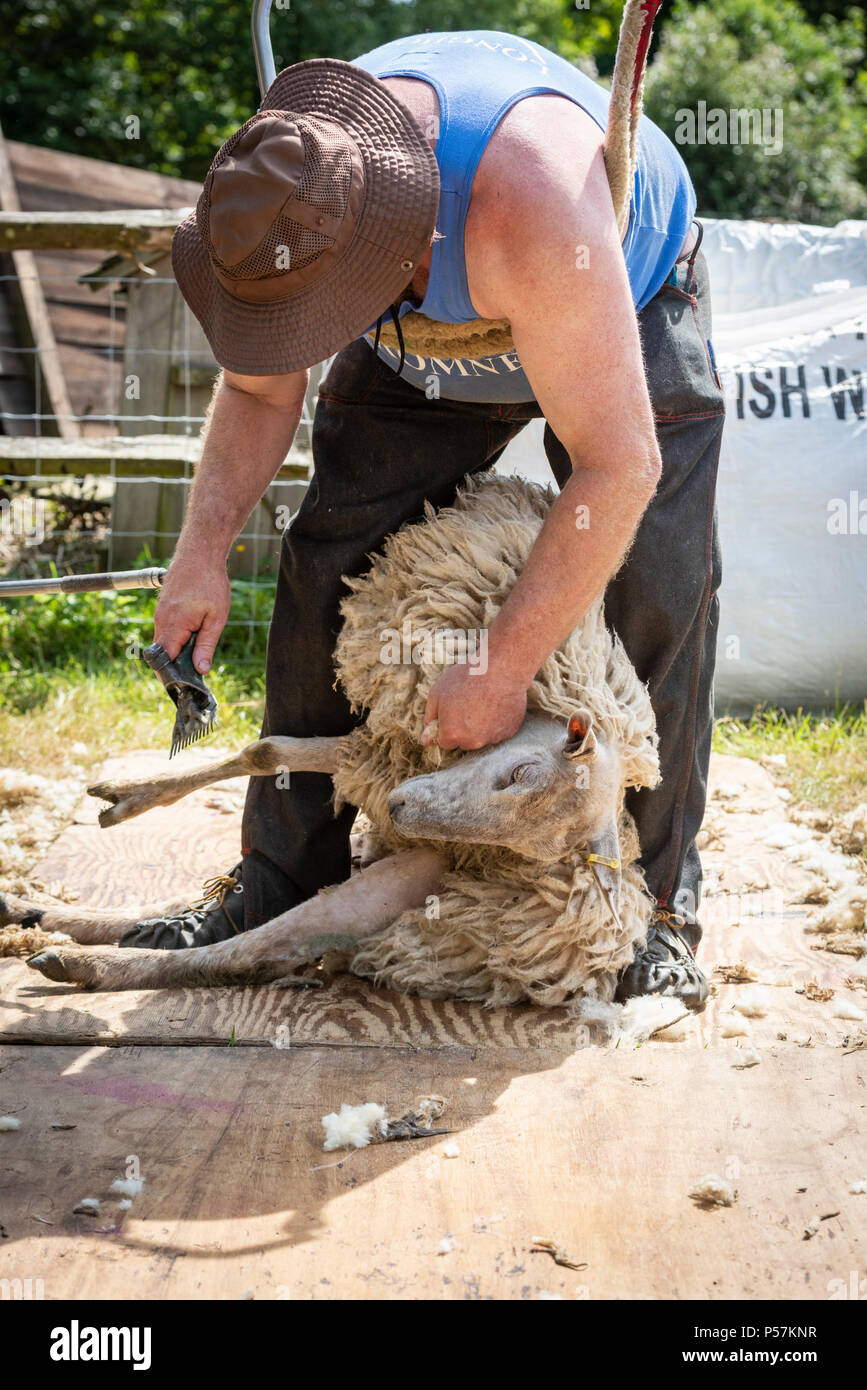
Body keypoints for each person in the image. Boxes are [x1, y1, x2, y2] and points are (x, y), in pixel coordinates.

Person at [124, 26, 725, 1009]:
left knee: (661, 587)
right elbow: (260, 392)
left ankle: (651, 913)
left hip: (616, 291)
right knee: (327, 564)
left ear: (399, 240)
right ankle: (282, 875)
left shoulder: (531, 198)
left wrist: (505, 660)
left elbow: (618, 466)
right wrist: (199, 552)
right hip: (427, 328)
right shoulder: (284, 197)